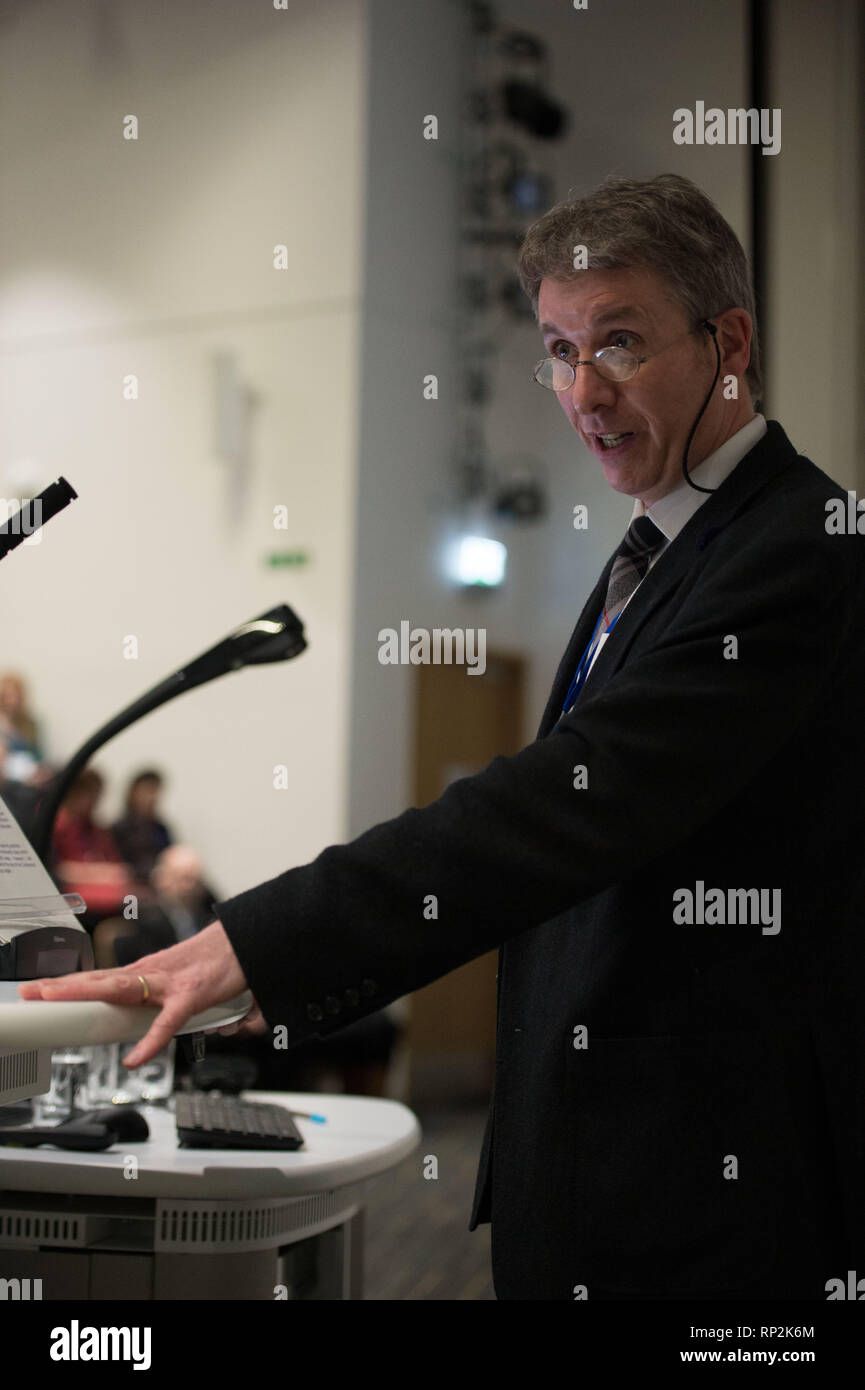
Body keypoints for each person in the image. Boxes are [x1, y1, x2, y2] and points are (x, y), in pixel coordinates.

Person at [20, 173, 865, 1302]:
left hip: (708, 1199)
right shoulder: (665, 548)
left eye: (618, 342)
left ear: (729, 344)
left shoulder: (796, 548)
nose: (581, 391)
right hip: (610, 1168)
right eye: (558, 350)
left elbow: (563, 805)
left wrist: (267, 942)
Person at [111, 769, 174, 885]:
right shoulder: (121, 829)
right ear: (133, 793)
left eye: (155, 791)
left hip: (164, 883)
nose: (152, 797)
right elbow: (120, 866)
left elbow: (171, 855)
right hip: (136, 886)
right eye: (147, 790)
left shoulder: (161, 828)